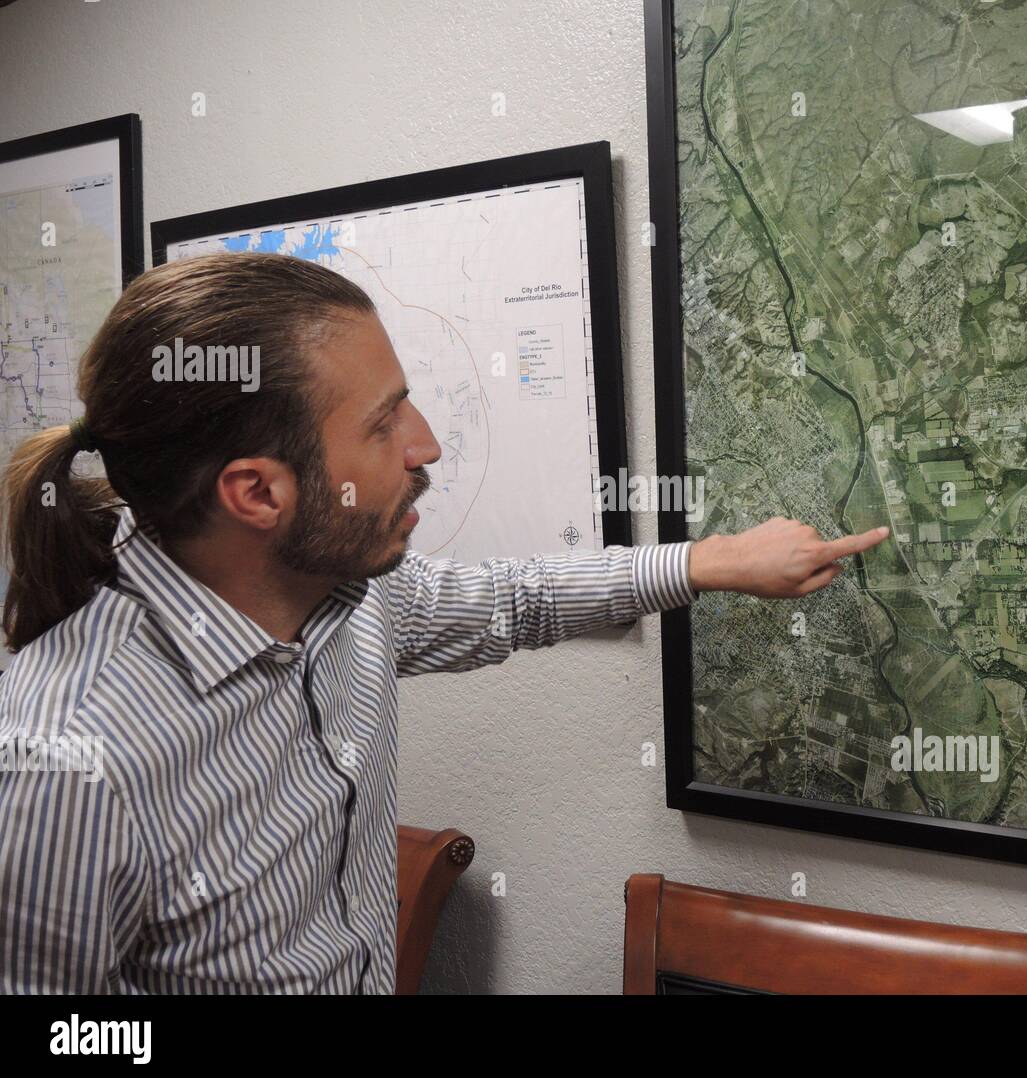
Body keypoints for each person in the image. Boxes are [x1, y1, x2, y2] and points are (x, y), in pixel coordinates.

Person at [0, 252, 890, 993]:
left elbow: (517, 598)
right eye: (384, 424)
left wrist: (716, 562)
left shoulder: (348, 603)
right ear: (258, 492)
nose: (425, 444)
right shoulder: (66, 765)